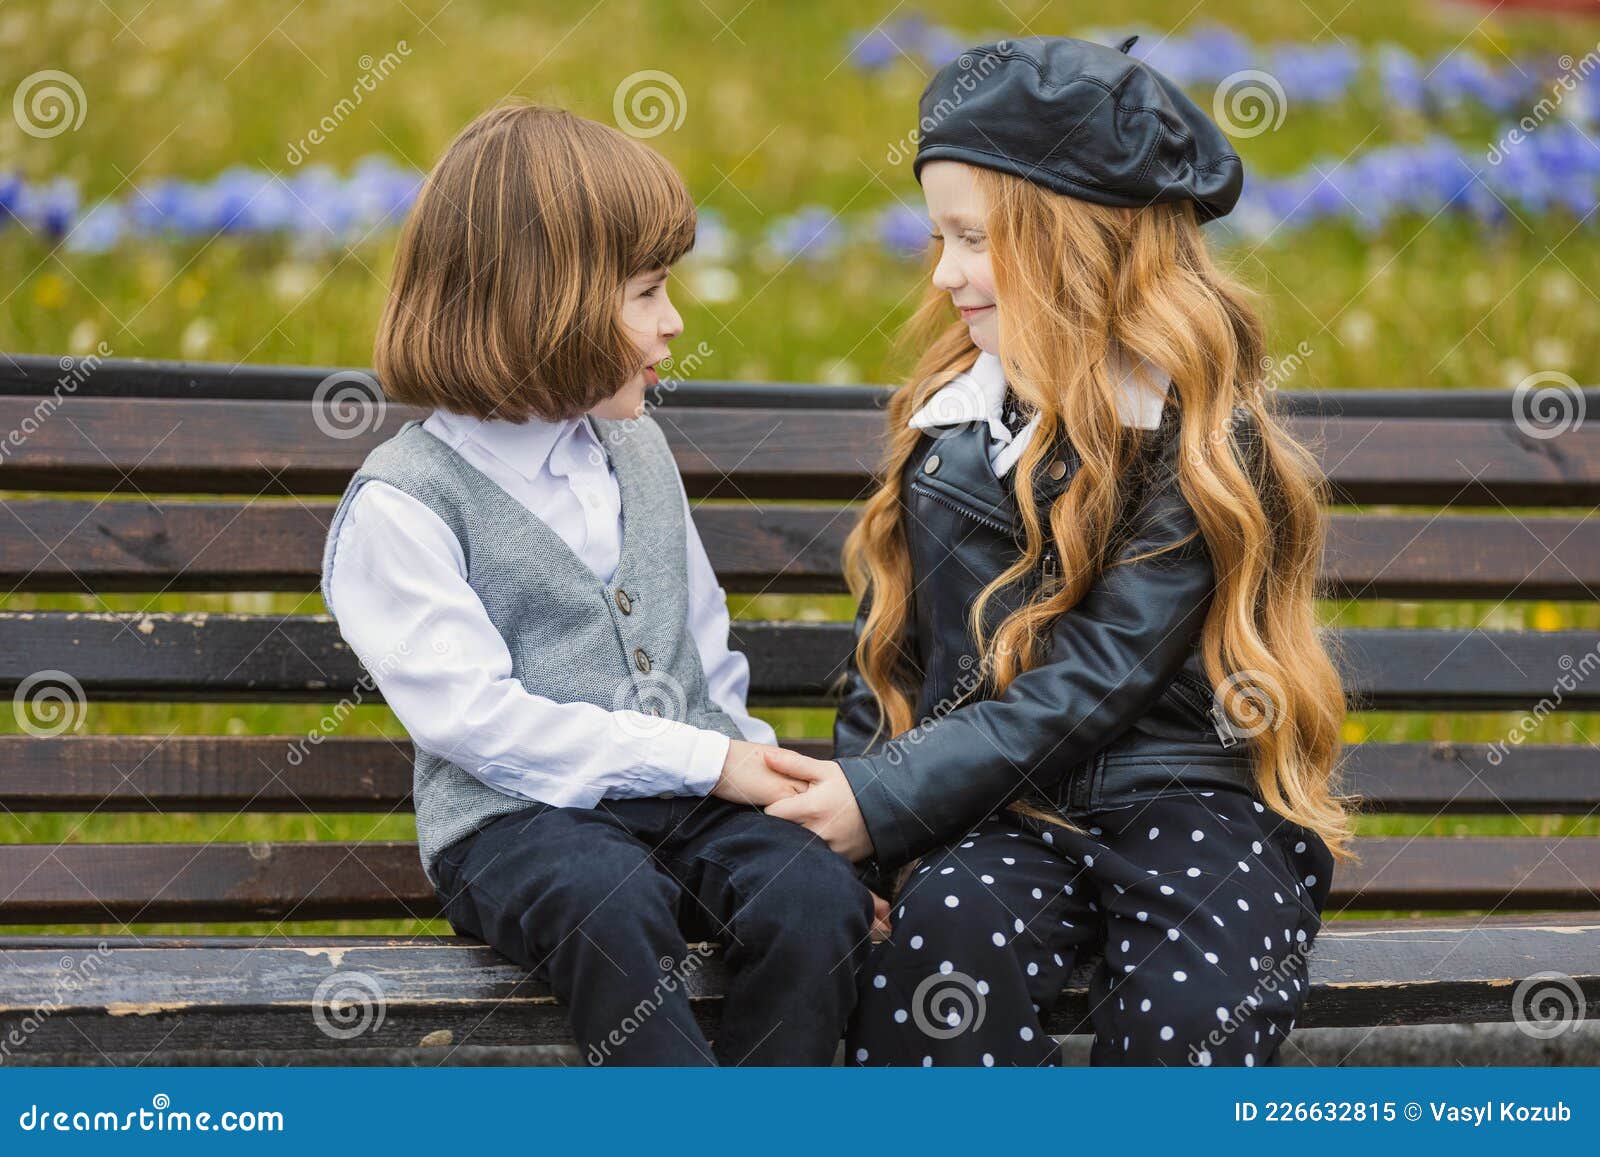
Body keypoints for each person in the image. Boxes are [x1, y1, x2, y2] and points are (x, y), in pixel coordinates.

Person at [760, 35, 1358, 1066]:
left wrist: (886, 796)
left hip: (1189, 799)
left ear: (1080, 243)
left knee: (1194, 1009)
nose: (945, 272)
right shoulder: (952, 424)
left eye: (973, 238)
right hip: (1001, 811)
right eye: (936, 237)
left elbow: (1095, 675)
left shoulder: (1195, 438)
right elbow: (893, 654)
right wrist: (870, 816)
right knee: (940, 943)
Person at [320, 103, 873, 1065]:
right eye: (648, 292)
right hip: (516, 824)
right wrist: (708, 763)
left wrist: (774, 799)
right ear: (544, 303)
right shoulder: (406, 504)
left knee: (813, 900)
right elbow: (475, 722)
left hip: (686, 804)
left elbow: (703, 655)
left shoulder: (637, 450)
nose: (676, 321)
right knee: (608, 903)